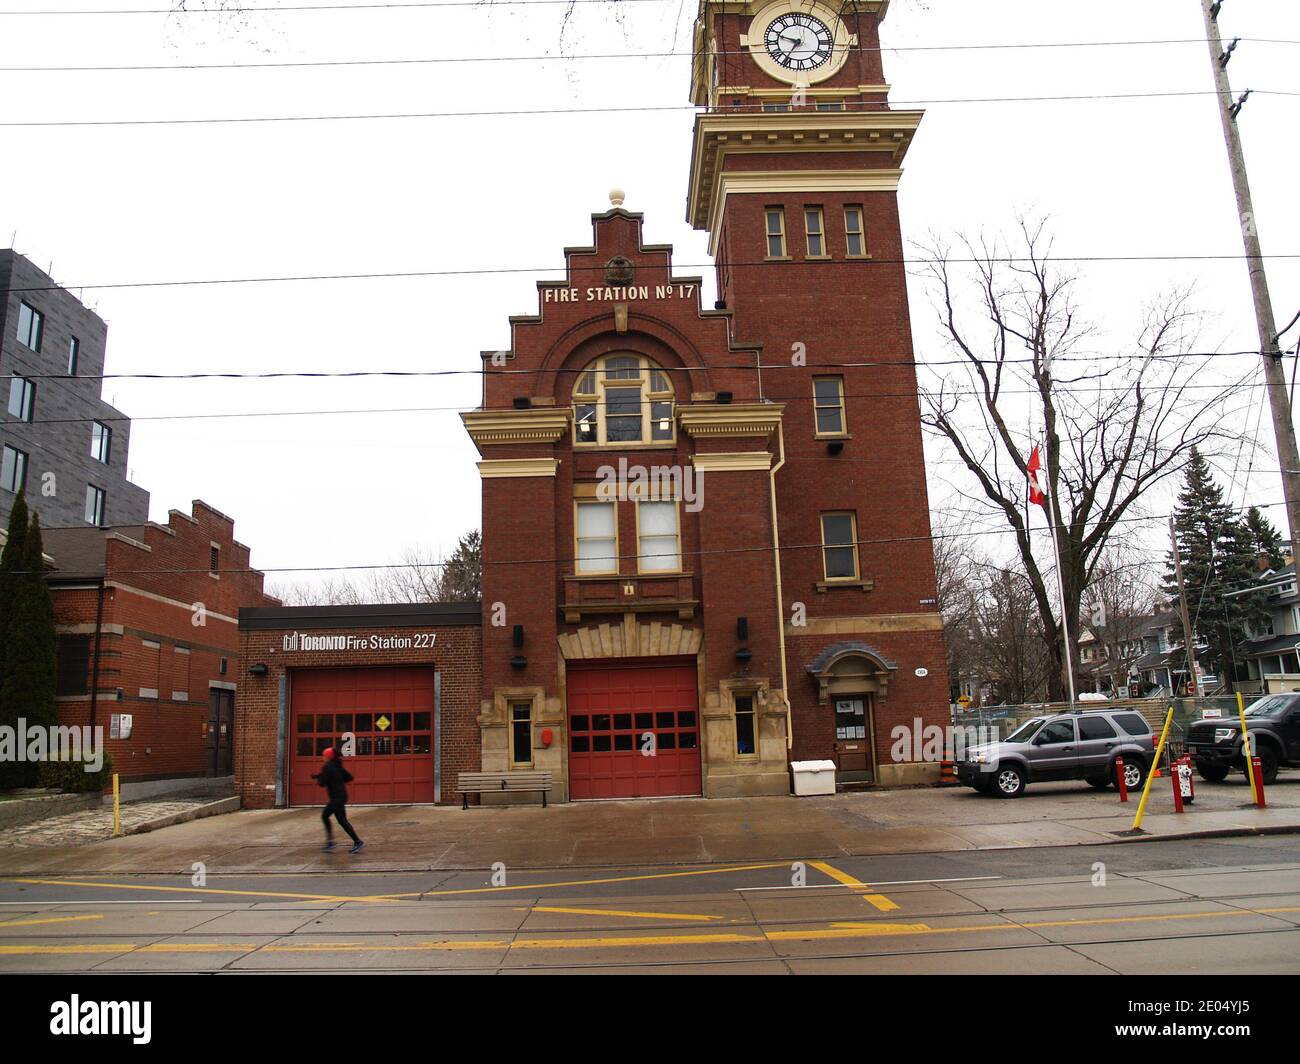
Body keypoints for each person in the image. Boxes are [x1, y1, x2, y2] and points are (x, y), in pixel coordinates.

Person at [312, 747, 364, 853]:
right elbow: (349, 777)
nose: (322, 758)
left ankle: (357, 841)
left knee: (338, 820)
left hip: (336, 798)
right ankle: (331, 842)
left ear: (328, 757)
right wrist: (337, 780)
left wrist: (319, 778)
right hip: (341, 796)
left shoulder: (327, 767)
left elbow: (322, 783)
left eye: (324, 756)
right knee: (330, 817)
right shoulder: (337, 766)